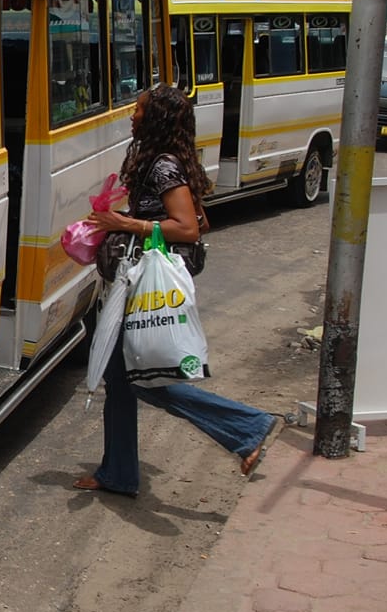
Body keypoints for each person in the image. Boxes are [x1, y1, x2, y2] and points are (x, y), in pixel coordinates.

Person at [74, 84, 280, 496]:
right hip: (137, 276)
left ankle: (246, 425)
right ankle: (118, 472)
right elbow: (202, 221)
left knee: (136, 377)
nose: (132, 115)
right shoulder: (156, 159)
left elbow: (186, 227)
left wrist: (126, 224)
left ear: (156, 120)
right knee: (121, 377)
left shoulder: (163, 166)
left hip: (145, 282)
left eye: (138, 110)